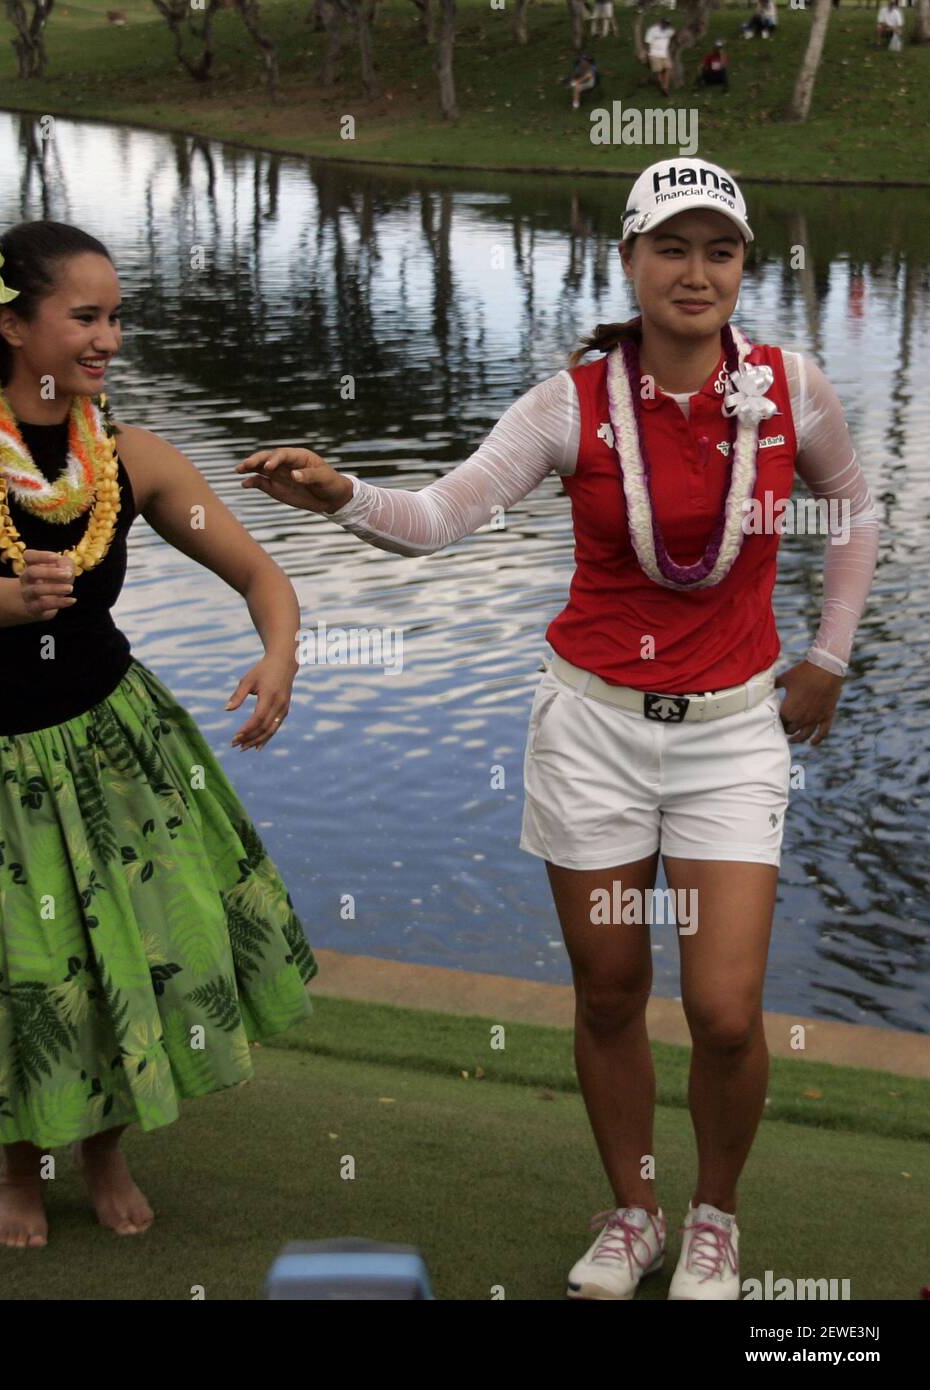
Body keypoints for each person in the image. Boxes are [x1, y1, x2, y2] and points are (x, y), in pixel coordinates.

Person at [235, 156, 879, 1299]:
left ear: (742, 266)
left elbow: (852, 513)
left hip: (732, 730)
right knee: (610, 989)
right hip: (592, 726)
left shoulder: (794, 388)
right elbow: (440, 518)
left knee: (726, 1010)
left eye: (717, 250)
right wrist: (344, 498)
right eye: (670, 249)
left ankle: (714, 1216)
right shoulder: (569, 401)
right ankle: (631, 1211)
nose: (695, 272)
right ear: (628, 261)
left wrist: (826, 657)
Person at [0, 217, 318, 1250]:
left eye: (116, 317)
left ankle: (105, 1147)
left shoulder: (129, 456)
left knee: (132, 947)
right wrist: (18, 593)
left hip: (105, 742)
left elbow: (259, 573)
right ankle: (20, 1167)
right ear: (12, 323)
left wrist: (278, 652)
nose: (109, 338)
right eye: (86, 316)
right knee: (14, 962)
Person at [644, 17, 676, 96]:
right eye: (665, 23)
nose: (666, 25)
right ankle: (662, 87)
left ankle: (665, 87)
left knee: (668, 68)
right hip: (654, 53)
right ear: (661, 22)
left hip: (665, 53)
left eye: (668, 24)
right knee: (659, 71)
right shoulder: (652, 30)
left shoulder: (669, 31)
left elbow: (675, 32)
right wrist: (647, 53)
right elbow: (647, 42)